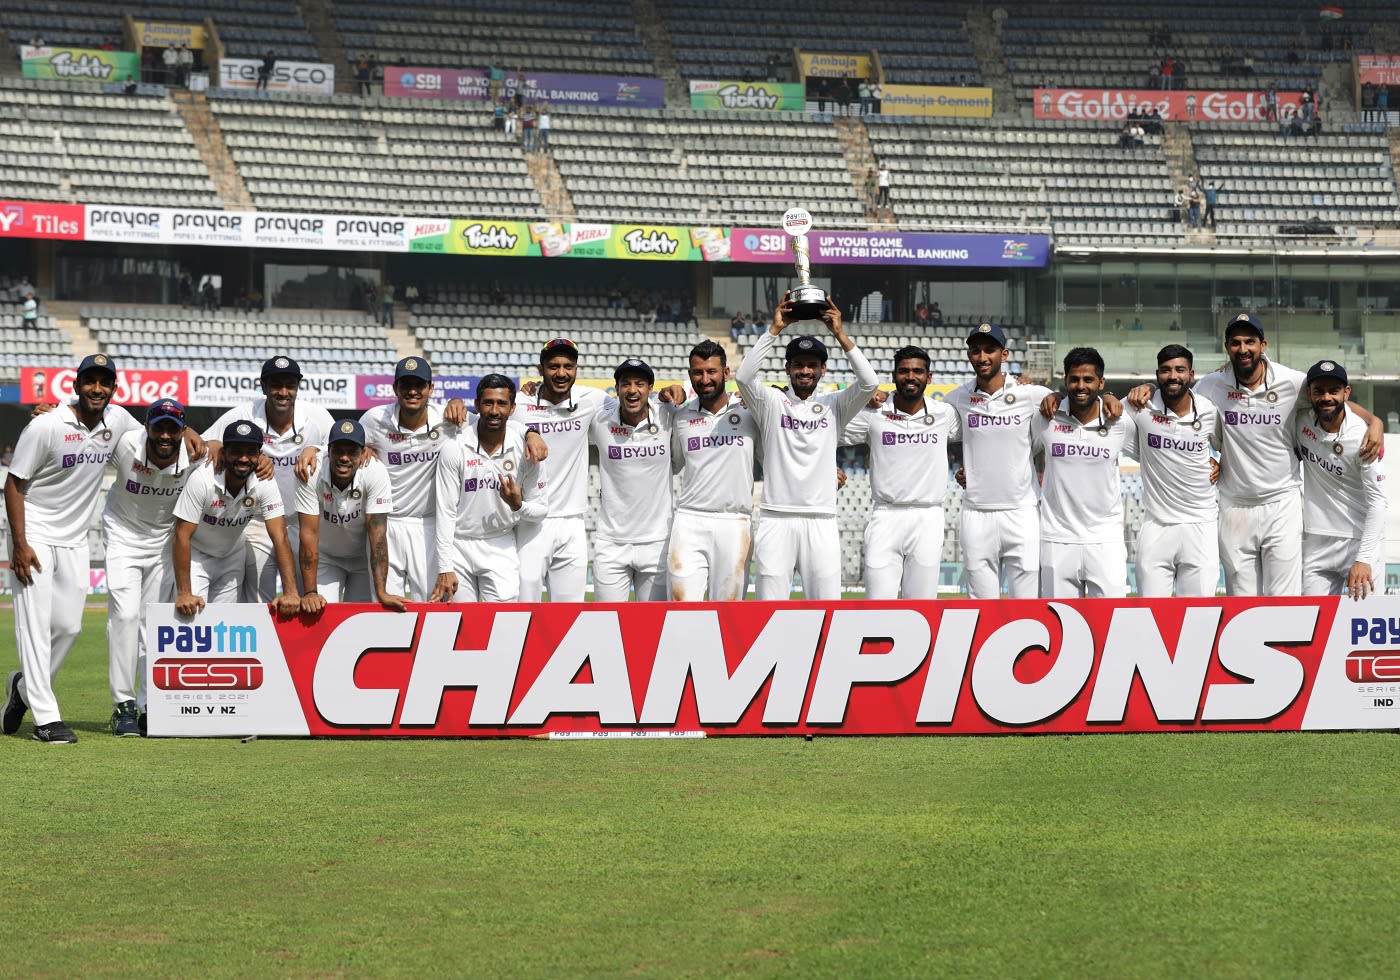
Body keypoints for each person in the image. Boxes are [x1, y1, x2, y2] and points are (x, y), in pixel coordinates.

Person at [1127, 312, 1383, 596]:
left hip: (1281, 503)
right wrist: (1149, 388)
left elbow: (1328, 397)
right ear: (1227, 348)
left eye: (1250, 341)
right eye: (1235, 342)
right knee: (1241, 602)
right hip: (1234, 505)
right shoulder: (1211, 385)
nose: (1243, 348)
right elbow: (1179, 399)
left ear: (1263, 345)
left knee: (1283, 600)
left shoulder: (1291, 381)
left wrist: (1374, 421)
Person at [3, 354, 141, 743]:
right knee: (35, 627)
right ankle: (45, 720)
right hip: (34, 533)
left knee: (69, 627)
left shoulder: (118, 421)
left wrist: (198, 436)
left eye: (104, 382)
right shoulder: (46, 425)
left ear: (114, 388)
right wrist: (19, 543)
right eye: (89, 381)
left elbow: (158, 436)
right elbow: (14, 484)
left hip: (75, 537)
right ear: (76, 385)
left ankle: (23, 689)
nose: (97, 388)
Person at [735, 292, 879, 600]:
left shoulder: (834, 405)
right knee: (769, 609)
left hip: (821, 519)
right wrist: (775, 328)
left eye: (812, 365)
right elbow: (744, 378)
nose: (805, 371)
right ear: (788, 368)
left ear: (823, 370)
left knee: (827, 609)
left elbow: (869, 383)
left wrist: (839, 334)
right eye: (798, 365)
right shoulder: (771, 402)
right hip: (776, 518)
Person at [201, 355, 335, 601]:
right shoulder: (243, 414)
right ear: (263, 386)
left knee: (308, 598)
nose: (283, 392)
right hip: (257, 523)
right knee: (258, 602)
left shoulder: (317, 417)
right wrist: (217, 445)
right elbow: (205, 443)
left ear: (298, 387)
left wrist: (315, 448)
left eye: (290, 385)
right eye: (276, 385)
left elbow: (344, 449)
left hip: (301, 522)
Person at [102, 398, 197, 736]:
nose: (165, 435)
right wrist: (54, 410)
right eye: (159, 428)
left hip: (162, 544)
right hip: (122, 535)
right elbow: (92, 427)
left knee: (150, 625)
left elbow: (223, 447)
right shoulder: (126, 443)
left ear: (183, 431)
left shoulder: (195, 455)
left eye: (173, 429)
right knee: (125, 616)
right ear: (147, 428)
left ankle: (147, 705)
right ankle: (123, 704)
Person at [944, 324, 1054, 599]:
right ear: (969, 355)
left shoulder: (1030, 393)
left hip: (1022, 511)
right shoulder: (957, 398)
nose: (982, 357)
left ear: (1004, 354)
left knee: (1026, 606)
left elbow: (1070, 402)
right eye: (976, 351)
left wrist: (1109, 396)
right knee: (981, 607)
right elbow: (927, 426)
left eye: (990, 350)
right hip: (977, 512)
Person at [840, 345, 959, 599]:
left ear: (929, 377)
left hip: (928, 517)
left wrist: (1016, 383)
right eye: (904, 371)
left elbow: (983, 430)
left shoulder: (944, 413)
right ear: (894, 376)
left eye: (918, 371)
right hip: (885, 516)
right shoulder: (874, 414)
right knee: (878, 606)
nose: (910, 377)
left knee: (922, 606)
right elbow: (824, 429)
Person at [432, 375, 546, 602]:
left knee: (502, 620)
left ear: (512, 408)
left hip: (500, 545)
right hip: (458, 546)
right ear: (476, 405)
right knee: (462, 620)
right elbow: (445, 512)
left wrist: (518, 505)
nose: (494, 411)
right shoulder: (454, 448)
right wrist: (445, 566)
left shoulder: (526, 450)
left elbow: (541, 510)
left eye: (502, 404)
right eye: (488, 403)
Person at [1032, 348, 1134, 599]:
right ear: (1065, 379)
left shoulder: (1120, 422)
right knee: (1059, 618)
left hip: (1105, 540)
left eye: (1088, 379)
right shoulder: (1046, 418)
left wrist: (1209, 459)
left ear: (1101, 382)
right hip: (1057, 539)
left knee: (1110, 619)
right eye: (1074, 379)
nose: (1080, 386)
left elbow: (1153, 454)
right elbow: (1018, 453)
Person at [512, 338, 608, 601]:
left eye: (568, 366)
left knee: (570, 612)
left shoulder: (592, 399)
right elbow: (487, 421)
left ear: (576, 369)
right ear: (540, 369)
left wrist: (669, 394)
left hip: (573, 522)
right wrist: (528, 431)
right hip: (530, 523)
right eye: (554, 366)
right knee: (523, 609)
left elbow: (635, 404)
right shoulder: (519, 403)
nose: (561, 373)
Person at [1123, 345, 1222, 597]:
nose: (1173, 376)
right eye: (1166, 370)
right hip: (1157, 525)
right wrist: (1114, 395)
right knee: (1152, 611)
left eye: (1180, 370)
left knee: (1199, 613)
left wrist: (1220, 463)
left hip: (1201, 524)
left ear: (1191, 374)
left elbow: (1230, 448)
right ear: (1157, 374)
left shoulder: (1209, 411)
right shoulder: (1140, 406)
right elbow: (1104, 408)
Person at [173, 421, 300, 616]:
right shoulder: (203, 479)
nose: (243, 458)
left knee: (224, 623)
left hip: (231, 556)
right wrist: (184, 593)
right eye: (236, 451)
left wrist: (290, 592)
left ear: (259, 455)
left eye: (250, 452)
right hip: (196, 557)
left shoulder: (264, 481)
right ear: (224, 453)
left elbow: (280, 536)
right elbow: (181, 535)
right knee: (192, 618)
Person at [664, 340, 759, 602]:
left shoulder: (749, 413)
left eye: (711, 371)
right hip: (689, 520)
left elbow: (777, 454)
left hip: (735, 522)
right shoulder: (681, 417)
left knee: (728, 612)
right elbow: (672, 464)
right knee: (681, 608)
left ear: (726, 373)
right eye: (698, 372)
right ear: (690, 375)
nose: (705, 379)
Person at [1295, 360, 1386, 599]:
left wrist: (1364, 558)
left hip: (1359, 542)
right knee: (1314, 619)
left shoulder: (1363, 437)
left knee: (1365, 619)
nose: (1326, 397)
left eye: (1333, 390)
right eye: (1319, 391)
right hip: (1316, 541)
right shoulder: (1301, 420)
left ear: (1346, 392)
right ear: (1309, 394)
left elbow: (1378, 503)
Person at [588, 359, 673, 601]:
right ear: (617, 389)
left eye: (639, 384)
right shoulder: (600, 421)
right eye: (625, 384)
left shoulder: (668, 415)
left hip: (657, 542)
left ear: (651, 388)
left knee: (653, 623)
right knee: (608, 620)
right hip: (611, 543)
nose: (632, 390)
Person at [295, 419, 399, 610]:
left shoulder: (375, 471)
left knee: (363, 618)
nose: (344, 458)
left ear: (362, 453)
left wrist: (381, 592)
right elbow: (309, 534)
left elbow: (377, 535)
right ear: (328, 450)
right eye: (338, 451)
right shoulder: (311, 471)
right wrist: (310, 592)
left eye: (352, 452)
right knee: (320, 613)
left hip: (362, 559)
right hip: (326, 557)